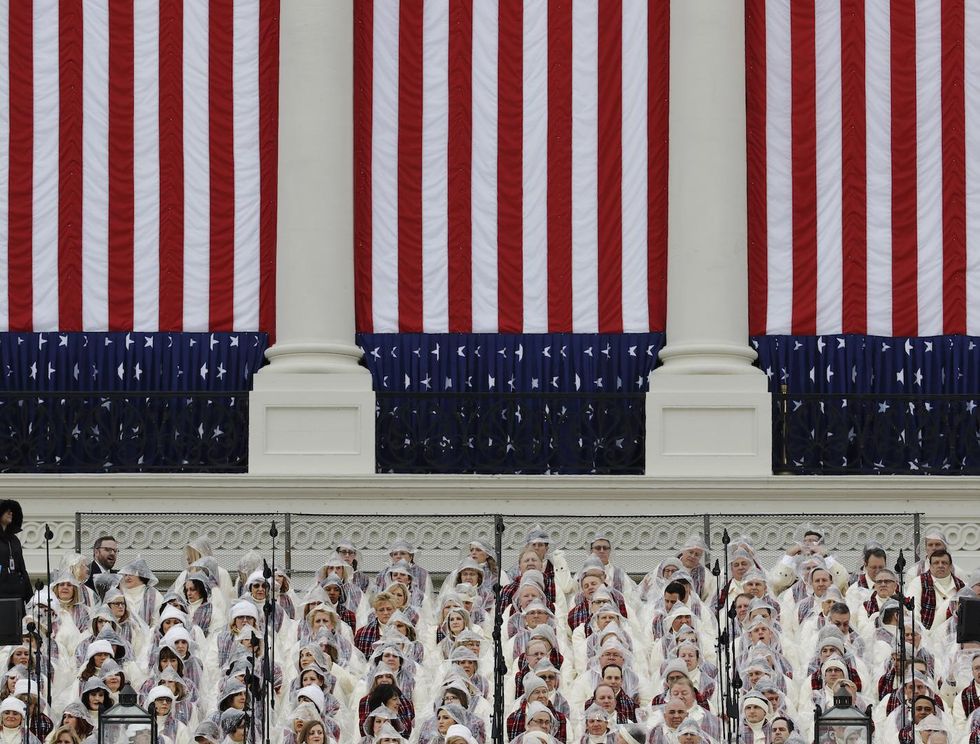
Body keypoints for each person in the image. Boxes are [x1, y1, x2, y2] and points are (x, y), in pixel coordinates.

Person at [0, 500, 31, 603]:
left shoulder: (14, 540)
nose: (11, 513)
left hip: (17, 595)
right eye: (7, 511)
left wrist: (30, 597)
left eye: (12, 511)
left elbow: (22, 568)